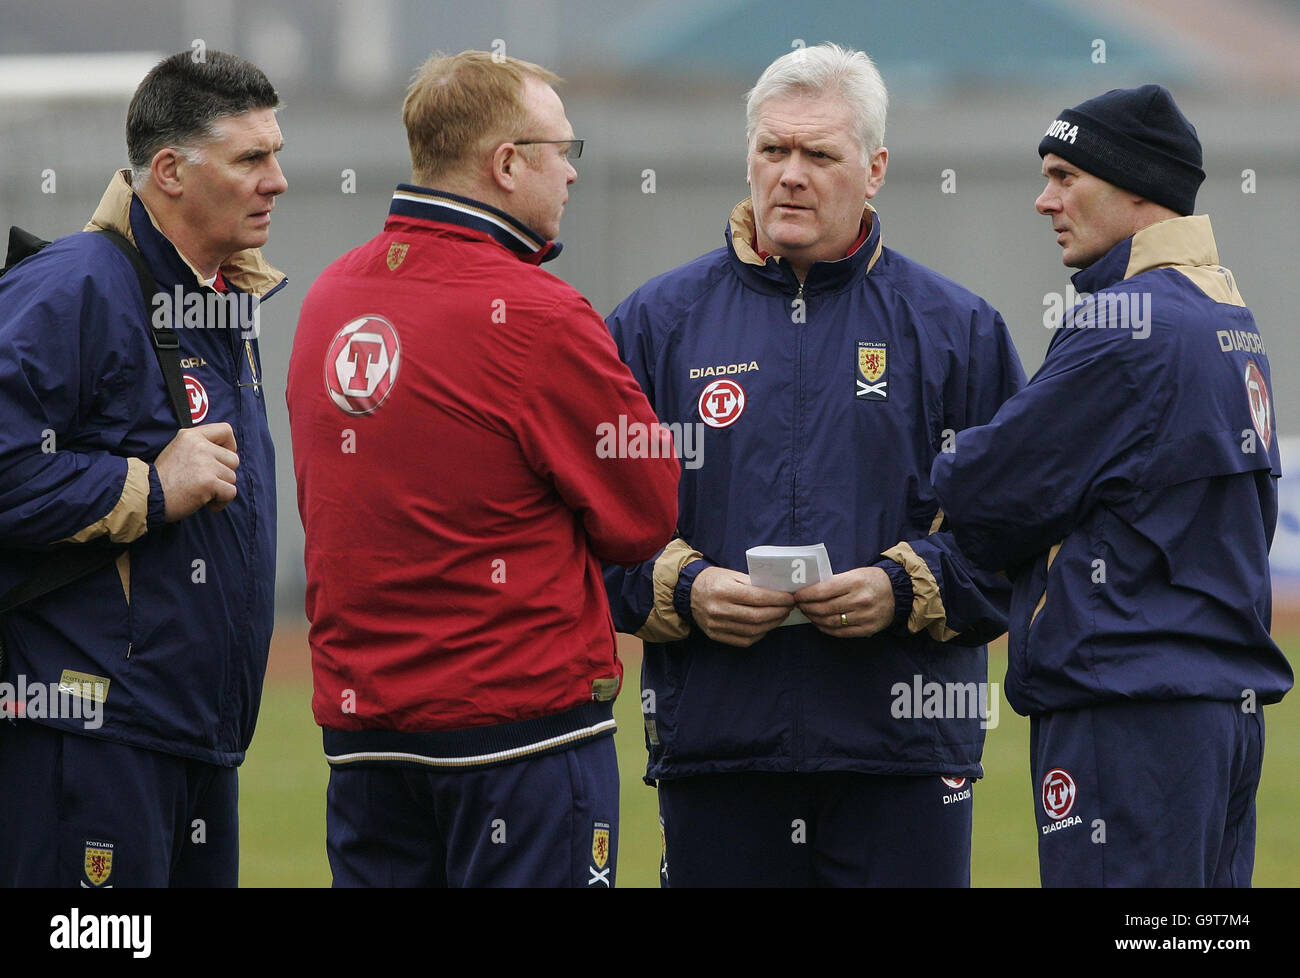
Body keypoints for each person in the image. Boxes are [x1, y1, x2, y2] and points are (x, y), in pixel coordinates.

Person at [604, 42, 1024, 887]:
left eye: (819, 155)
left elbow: (1013, 535)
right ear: (749, 157)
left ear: (873, 169)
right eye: (773, 150)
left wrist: (902, 588)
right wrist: (687, 591)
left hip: (902, 754)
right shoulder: (653, 326)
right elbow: (595, 531)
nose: (790, 175)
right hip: (721, 751)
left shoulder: (959, 330)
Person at [286, 50, 679, 888]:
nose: (572, 172)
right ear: (506, 164)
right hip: (519, 736)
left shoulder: (327, 298)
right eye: (562, 149)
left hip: (364, 740)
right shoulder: (538, 313)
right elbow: (645, 514)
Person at [931, 84, 1292, 886]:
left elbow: (988, 491)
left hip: (1129, 706)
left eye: (1065, 176)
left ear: (1136, 186)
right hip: (1216, 714)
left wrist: (947, 469)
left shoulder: (1128, 323)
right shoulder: (1227, 314)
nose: (1043, 200)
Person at [0, 50, 287, 887]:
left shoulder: (221, 301)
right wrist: (151, 489)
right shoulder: (74, 286)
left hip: (187, 739)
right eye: (250, 159)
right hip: (87, 739)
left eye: (277, 154)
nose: (276, 180)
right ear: (168, 171)